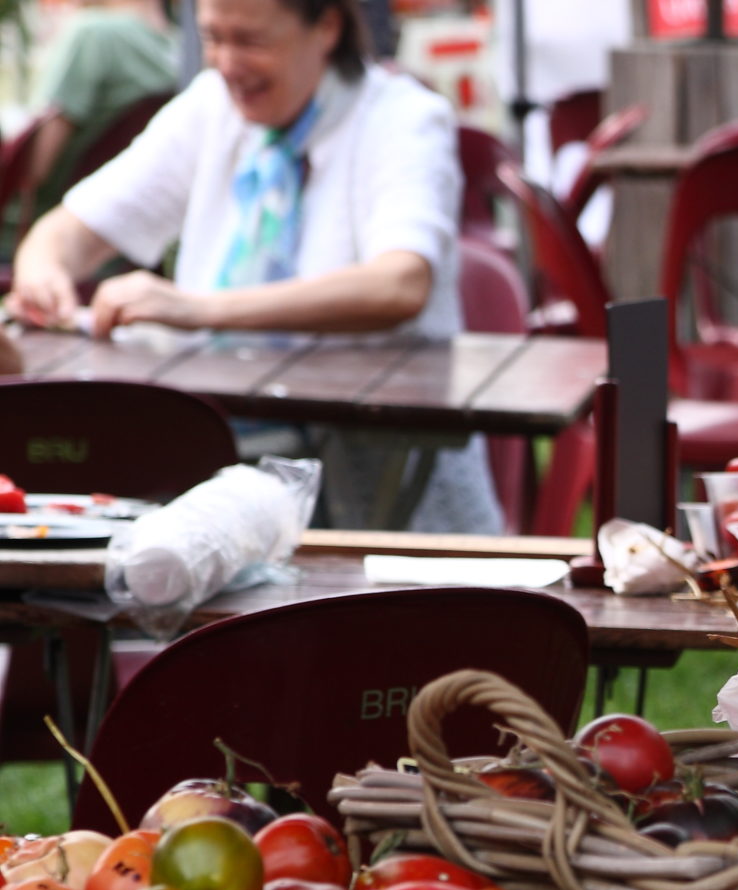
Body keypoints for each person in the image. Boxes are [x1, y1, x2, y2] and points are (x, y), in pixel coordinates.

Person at [3, 0, 498, 533]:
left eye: (251, 41)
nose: (226, 62)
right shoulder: (211, 107)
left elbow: (400, 283)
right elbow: (71, 228)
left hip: (380, 486)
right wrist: (44, 270)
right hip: (222, 464)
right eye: (213, 38)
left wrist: (196, 309)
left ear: (327, 26)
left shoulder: (402, 117)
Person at [17, 0, 178, 230]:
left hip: (56, 224)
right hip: (131, 226)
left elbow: (34, 167)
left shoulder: (92, 34)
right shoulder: (179, 46)